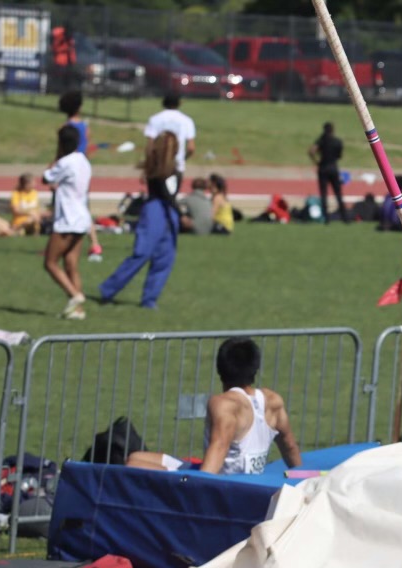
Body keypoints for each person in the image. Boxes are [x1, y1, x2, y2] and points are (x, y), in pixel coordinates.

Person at [127, 337, 302, 475]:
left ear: (219, 370)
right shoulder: (273, 401)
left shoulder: (224, 404)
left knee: (133, 465)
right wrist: (304, 479)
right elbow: (290, 446)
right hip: (240, 477)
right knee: (135, 457)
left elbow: (219, 448)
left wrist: (198, 487)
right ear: (255, 369)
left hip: (224, 484)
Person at [99, 131, 180, 309]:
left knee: (165, 256)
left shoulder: (174, 168)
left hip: (167, 210)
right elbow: (166, 193)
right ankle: (108, 289)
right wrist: (180, 213)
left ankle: (150, 298)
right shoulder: (157, 168)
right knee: (142, 253)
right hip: (156, 209)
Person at [42, 124, 92, 320]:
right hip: (81, 218)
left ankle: (74, 296)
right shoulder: (83, 161)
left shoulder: (64, 162)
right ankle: (77, 311)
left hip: (67, 220)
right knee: (71, 264)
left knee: (50, 262)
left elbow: (46, 177)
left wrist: (56, 158)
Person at [58, 90, 104, 262]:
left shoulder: (64, 129)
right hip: (83, 169)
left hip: (68, 171)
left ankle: (62, 243)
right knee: (83, 205)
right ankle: (94, 243)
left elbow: (60, 153)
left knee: (64, 207)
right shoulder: (85, 128)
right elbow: (88, 149)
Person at [144, 93, 195, 194]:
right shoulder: (187, 120)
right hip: (176, 165)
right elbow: (191, 148)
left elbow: (150, 146)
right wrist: (182, 159)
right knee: (171, 197)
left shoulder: (155, 119)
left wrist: (148, 165)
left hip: (157, 166)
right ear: (179, 103)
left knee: (154, 196)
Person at [308, 122, 348, 224]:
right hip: (333, 168)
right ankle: (345, 217)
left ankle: (326, 218)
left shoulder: (321, 140)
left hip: (323, 168)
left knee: (324, 194)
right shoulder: (337, 141)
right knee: (338, 193)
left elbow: (311, 151)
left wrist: (316, 162)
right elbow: (339, 156)